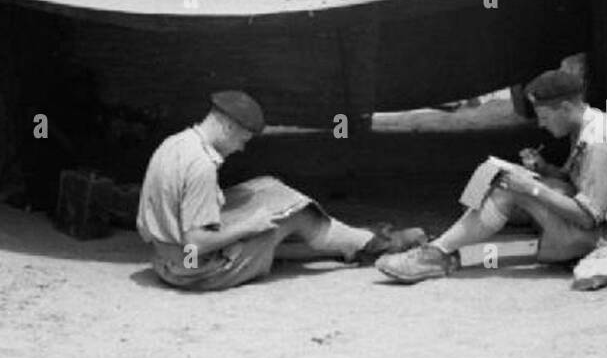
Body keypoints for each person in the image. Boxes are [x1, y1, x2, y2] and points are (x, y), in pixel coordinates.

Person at [376, 69, 607, 284]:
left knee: (510, 191)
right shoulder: (589, 122)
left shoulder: (597, 142)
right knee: (509, 180)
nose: (541, 123)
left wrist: (533, 189)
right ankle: (448, 244)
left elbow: (588, 215)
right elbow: (580, 180)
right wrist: (544, 169)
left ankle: (438, 255)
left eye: (544, 116)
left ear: (565, 108)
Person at [136, 89, 425, 291]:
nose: (242, 147)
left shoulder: (176, 143)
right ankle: (373, 245)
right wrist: (247, 226)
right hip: (194, 271)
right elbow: (194, 245)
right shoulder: (202, 166)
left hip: (164, 259)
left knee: (266, 188)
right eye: (243, 138)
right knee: (293, 215)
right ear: (226, 127)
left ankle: (345, 244)